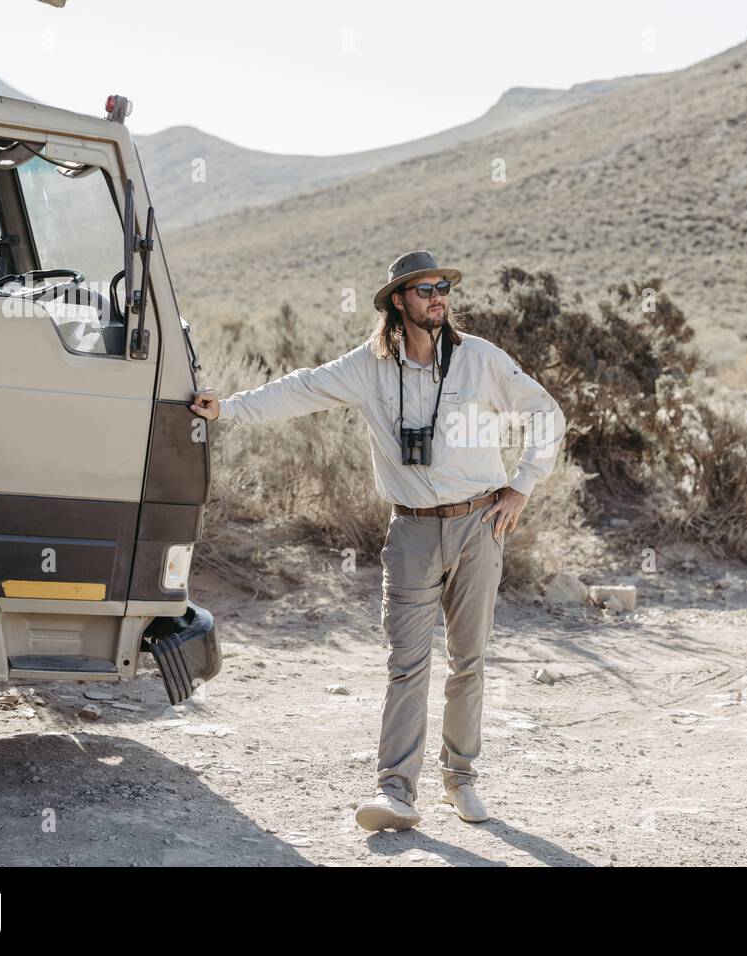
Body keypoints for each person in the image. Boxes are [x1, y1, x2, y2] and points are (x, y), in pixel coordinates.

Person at [190, 250, 566, 831]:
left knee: (468, 661)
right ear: (398, 301)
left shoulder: (479, 360)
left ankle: (460, 779)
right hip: (411, 528)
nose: (438, 297)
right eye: (425, 290)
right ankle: (396, 793)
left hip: (478, 523)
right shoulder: (368, 366)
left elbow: (547, 414)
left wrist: (521, 486)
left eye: (443, 287)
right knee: (406, 664)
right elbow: (299, 390)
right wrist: (229, 409)